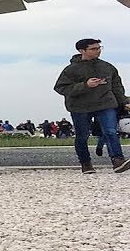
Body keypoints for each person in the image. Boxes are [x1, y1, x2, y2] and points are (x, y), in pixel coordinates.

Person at [52, 38, 129, 173]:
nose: (98, 51)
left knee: (111, 132)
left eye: (99, 48)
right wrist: (85, 85)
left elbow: (117, 87)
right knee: (82, 136)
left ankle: (118, 161)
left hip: (106, 104)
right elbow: (60, 88)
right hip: (80, 107)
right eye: (94, 49)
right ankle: (86, 163)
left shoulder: (107, 67)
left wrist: (124, 102)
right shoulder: (70, 70)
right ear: (82, 51)